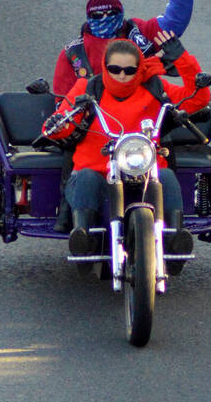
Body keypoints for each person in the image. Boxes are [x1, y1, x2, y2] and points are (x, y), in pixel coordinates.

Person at [42, 31, 198, 265]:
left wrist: (182, 59)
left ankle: (175, 237)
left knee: (166, 175)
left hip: (146, 172)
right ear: (105, 67)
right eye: (115, 69)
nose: (122, 75)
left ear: (139, 68)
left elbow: (196, 99)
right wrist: (59, 122)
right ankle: (84, 238)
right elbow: (59, 124)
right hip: (98, 174)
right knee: (85, 177)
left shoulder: (155, 87)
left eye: (129, 70)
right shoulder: (88, 88)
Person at [52, 0, 197, 98]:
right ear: (89, 18)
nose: (105, 18)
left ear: (121, 13)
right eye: (98, 15)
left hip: (145, 112)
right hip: (96, 118)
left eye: (112, 12)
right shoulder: (73, 54)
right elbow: (63, 103)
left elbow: (175, 21)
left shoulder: (139, 32)